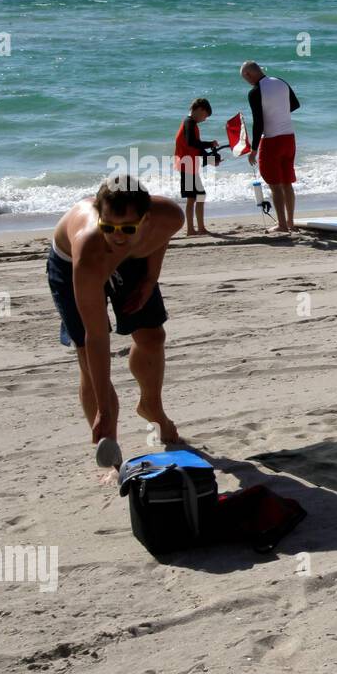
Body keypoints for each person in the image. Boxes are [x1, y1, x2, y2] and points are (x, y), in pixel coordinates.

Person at [46, 176, 184, 449]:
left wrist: (149, 280)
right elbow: (96, 336)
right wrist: (104, 412)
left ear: (145, 219)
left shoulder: (169, 216)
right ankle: (108, 447)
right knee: (88, 356)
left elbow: (160, 238)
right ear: (99, 216)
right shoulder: (89, 253)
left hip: (132, 259)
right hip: (72, 264)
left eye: (127, 227)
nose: (117, 234)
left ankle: (151, 407)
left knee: (152, 337)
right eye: (108, 226)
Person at [240, 61, 301, 233]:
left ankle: (281, 225)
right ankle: (290, 222)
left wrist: (253, 150)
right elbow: (295, 105)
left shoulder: (255, 92)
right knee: (287, 182)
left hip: (272, 140)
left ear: (248, 75)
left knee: (275, 184)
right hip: (289, 138)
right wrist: (278, 111)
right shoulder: (281, 82)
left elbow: (258, 122)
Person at [173, 97, 221, 237]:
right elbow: (192, 143)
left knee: (196, 196)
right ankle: (192, 229)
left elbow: (196, 149)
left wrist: (210, 159)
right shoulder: (189, 123)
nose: (205, 119)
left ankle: (199, 228)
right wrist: (210, 144)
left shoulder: (190, 124)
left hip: (188, 165)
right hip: (186, 165)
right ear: (199, 109)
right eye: (205, 115)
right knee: (195, 197)